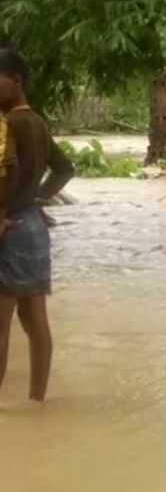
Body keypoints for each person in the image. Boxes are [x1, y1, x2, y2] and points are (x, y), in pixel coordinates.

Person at [0, 49, 75, 402]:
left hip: (10, 226)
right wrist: (39, 199)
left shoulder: (7, 123)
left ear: (15, 81)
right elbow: (64, 168)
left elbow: (5, 170)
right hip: (33, 226)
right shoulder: (38, 122)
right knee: (35, 321)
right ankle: (37, 401)